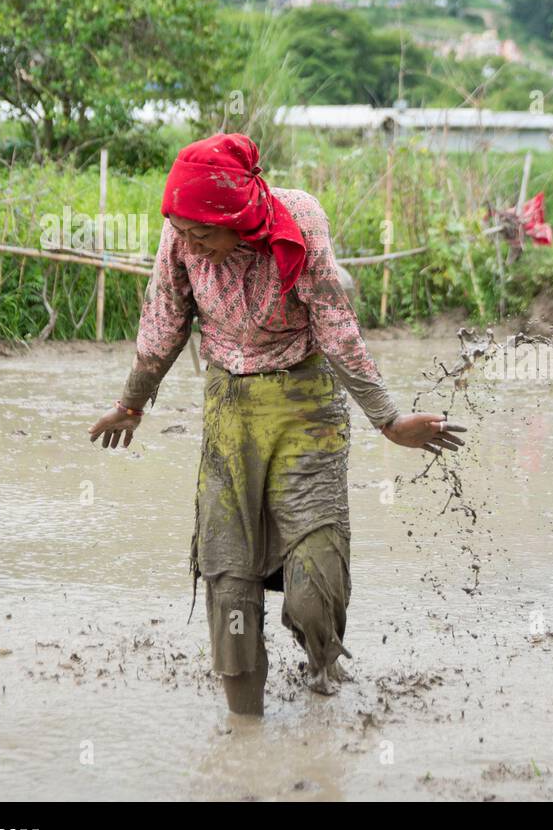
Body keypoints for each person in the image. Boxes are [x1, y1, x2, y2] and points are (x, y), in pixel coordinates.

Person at [87, 133, 465, 715]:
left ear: (237, 214)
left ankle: (322, 663)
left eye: (204, 233)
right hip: (229, 408)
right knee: (227, 570)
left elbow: (336, 326)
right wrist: (132, 404)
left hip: (307, 403)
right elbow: (164, 322)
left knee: (315, 574)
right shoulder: (180, 233)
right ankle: (244, 733)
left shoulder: (301, 217)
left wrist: (388, 420)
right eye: (183, 232)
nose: (192, 242)